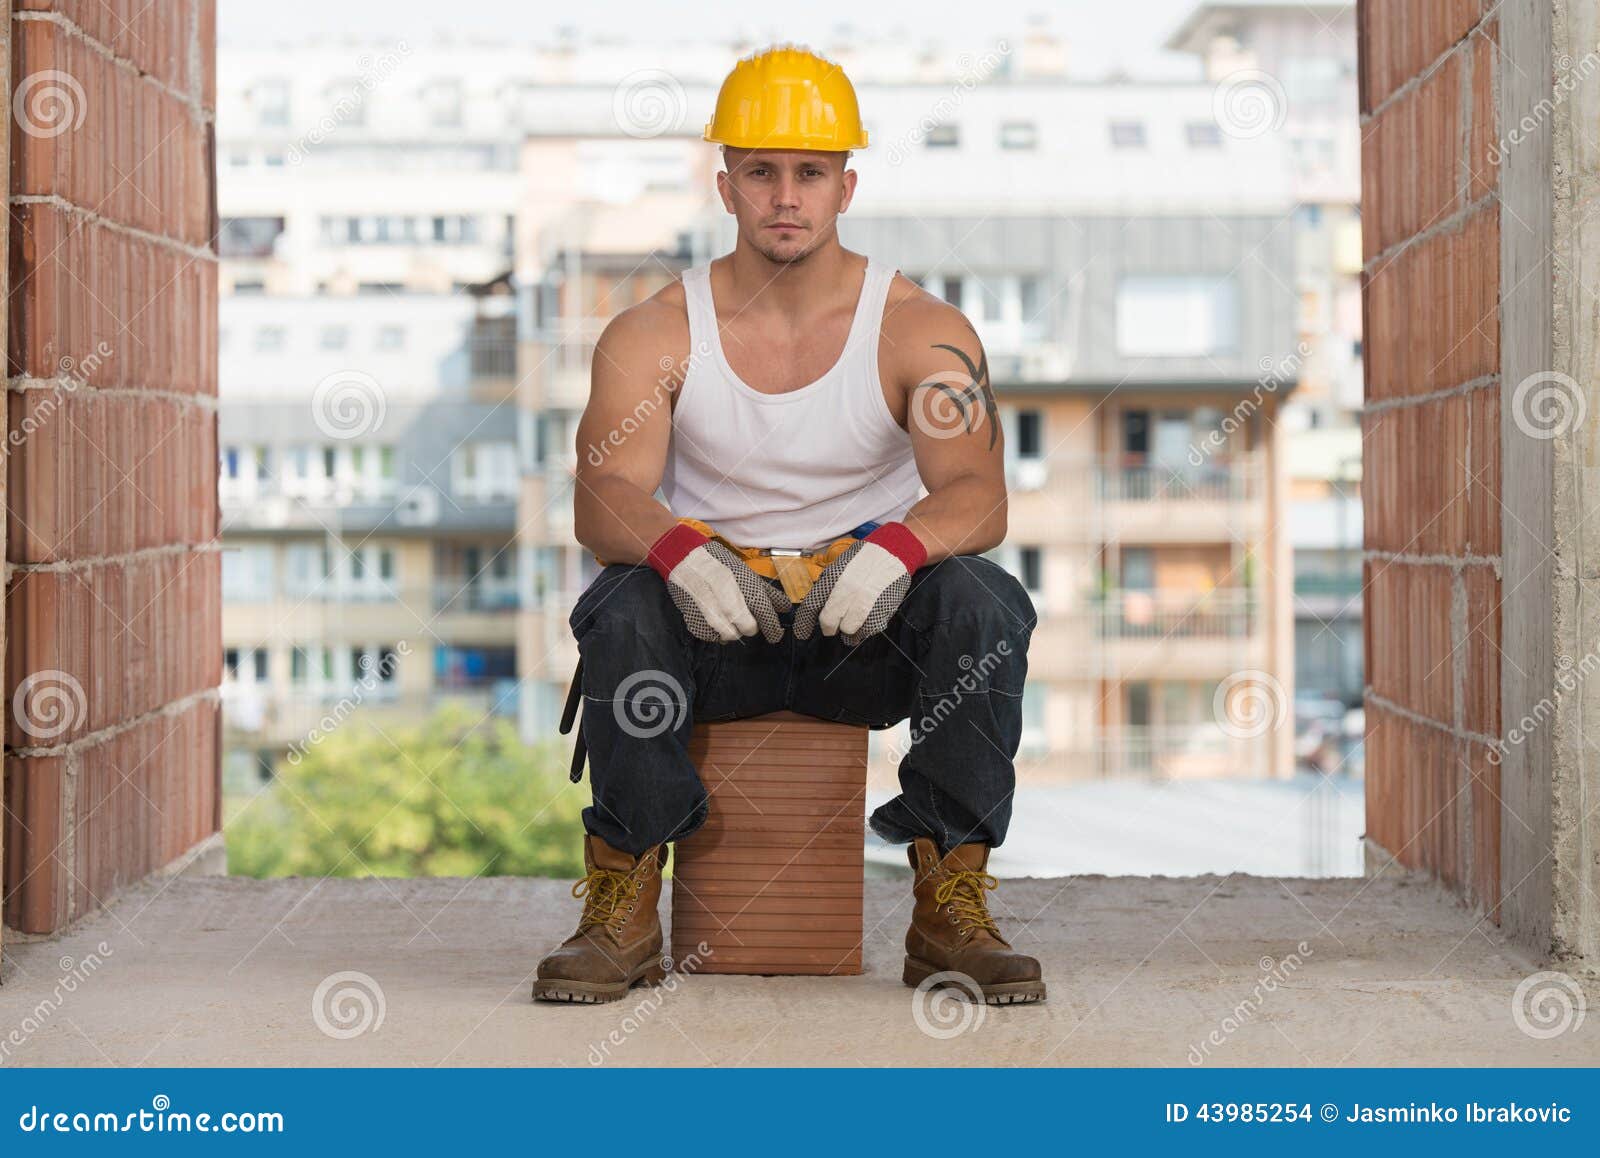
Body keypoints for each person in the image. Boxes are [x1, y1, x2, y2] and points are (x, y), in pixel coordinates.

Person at [533, 44, 1043, 1006]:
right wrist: (681, 550)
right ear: (724, 184)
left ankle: (950, 904)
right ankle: (624, 901)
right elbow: (601, 498)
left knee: (985, 600)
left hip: (867, 627)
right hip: (713, 628)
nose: (785, 196)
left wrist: (895, 549)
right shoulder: (653, 330)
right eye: (761, 171)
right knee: (621, 600)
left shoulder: (916, 328)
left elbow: (978, 496)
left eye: (809, 173)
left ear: (846, 185)